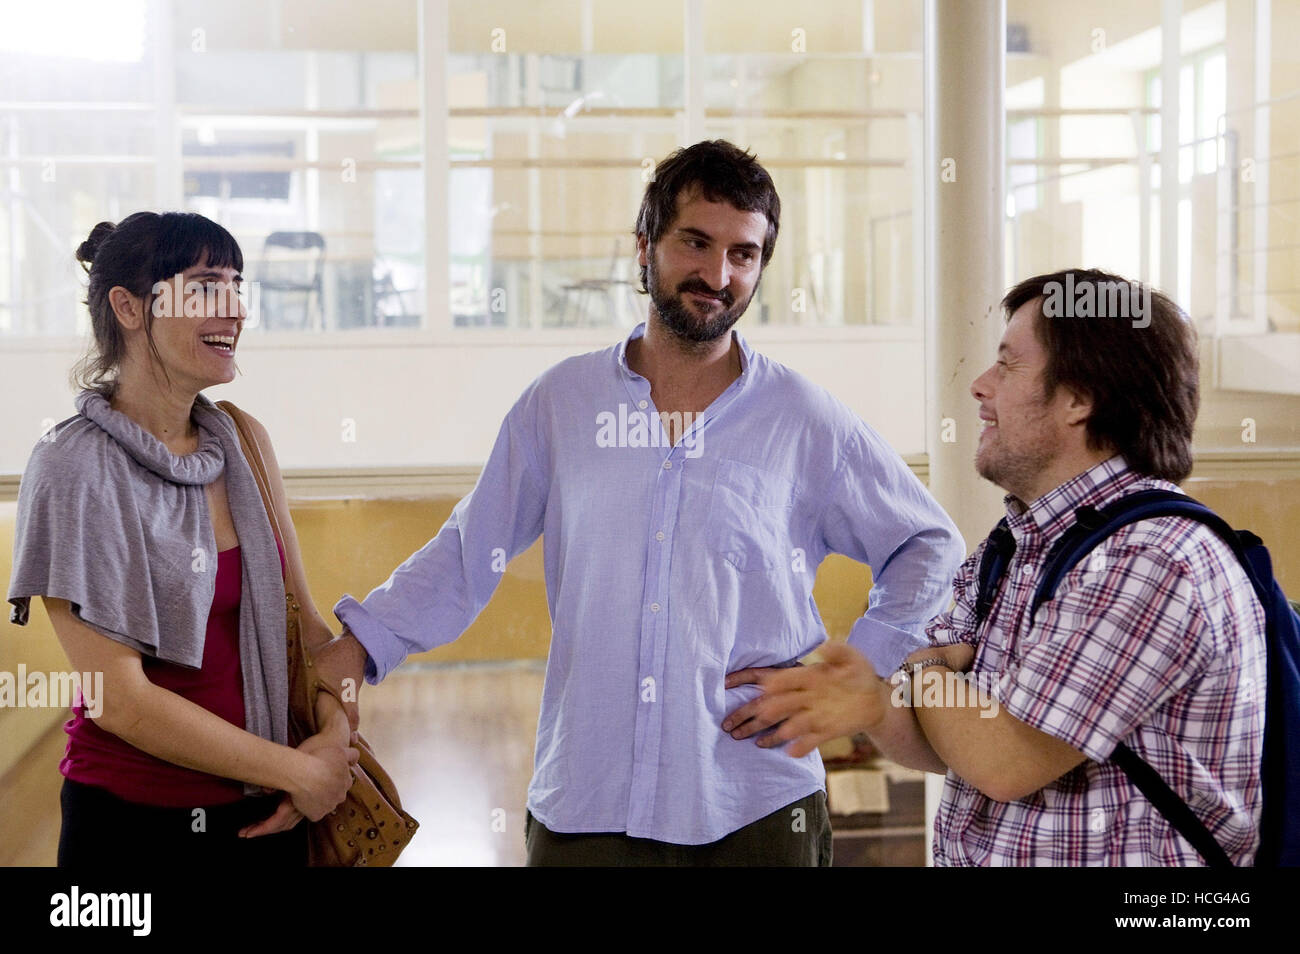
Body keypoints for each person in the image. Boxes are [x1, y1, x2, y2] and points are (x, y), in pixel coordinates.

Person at [318, 139, 965, 865]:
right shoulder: (561, 404)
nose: (718, 275)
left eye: (744, 255)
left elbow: (929, 545)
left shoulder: (806, 421)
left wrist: (861, 669)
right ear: (644, 247)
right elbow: (472, 551)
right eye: (696, 242)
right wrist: (357, 646)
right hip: (587, 805)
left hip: (755, 804)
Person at [724, 268, 1267, 865]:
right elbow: (944, 742)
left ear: (1080, 399)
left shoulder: (1151, 560)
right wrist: (875, 704)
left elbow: (1003, 761)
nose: (981, 386)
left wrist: (922, 665)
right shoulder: (1013, 548)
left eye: (1007, 365)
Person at [7, 212, 358, 867]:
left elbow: (308, 634)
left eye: (236, 284)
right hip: (134, 828)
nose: (235, 309)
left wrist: (333, 739)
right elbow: (122, 701)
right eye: (204, 286)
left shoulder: (244, 440)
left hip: (273, 812)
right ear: (130, 308)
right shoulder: (71, 465)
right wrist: (297, 770)